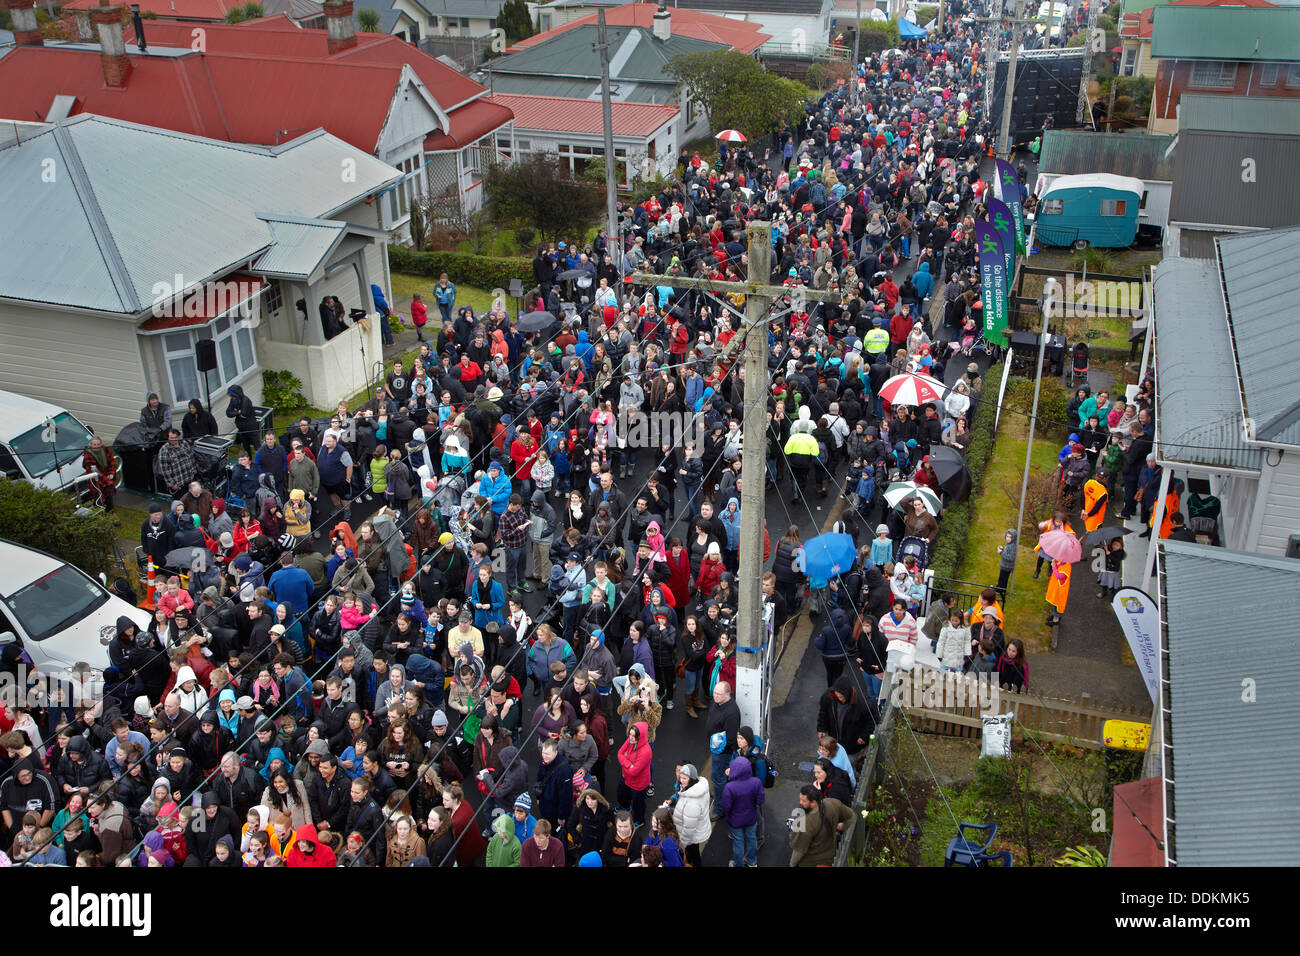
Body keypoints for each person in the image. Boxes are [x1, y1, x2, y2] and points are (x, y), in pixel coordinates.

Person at [788, 785, 853, 867]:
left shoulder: (806, 823)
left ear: (813, 802)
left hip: (811, 862)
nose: (800, 803)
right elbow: (851, 816)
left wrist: (792, 863)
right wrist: (842, 826)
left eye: (804, 801)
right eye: (800, 799)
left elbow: (799, 851)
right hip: (830, 857)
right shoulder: (833, 803)